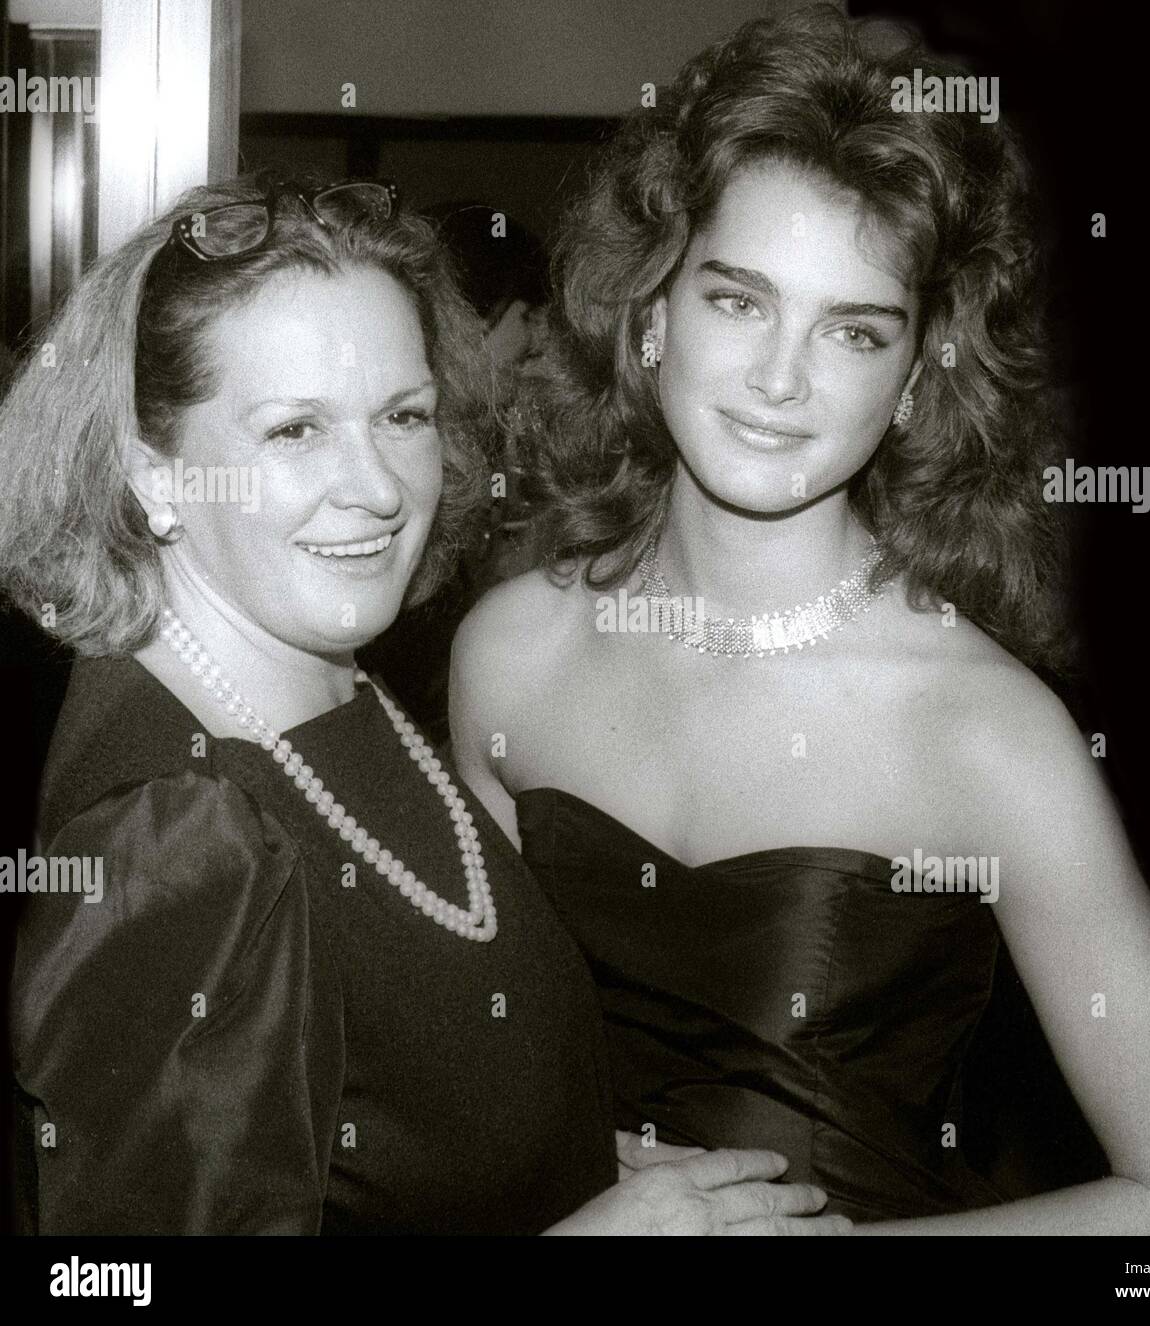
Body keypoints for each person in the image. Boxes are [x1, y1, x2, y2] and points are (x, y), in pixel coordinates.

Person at [449, 7, 1150, 1233]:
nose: (782, 380)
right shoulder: (508, 656)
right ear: (651, 313)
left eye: (852, 331)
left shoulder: (988, 732)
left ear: (914, 373)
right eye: (739, 302)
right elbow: (485, 1083)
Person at [0, 172, 846, 1235]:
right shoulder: (177, 836)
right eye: (294, 431)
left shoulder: (319, 682)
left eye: (401, 416)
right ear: (155, 477)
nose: (379, 487)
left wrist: (554, 1160)